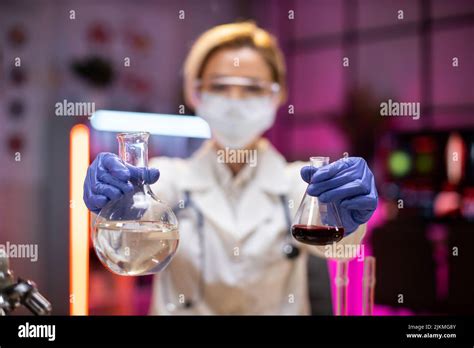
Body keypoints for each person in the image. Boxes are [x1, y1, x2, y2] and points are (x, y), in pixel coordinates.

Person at [83, 22, 378, 315]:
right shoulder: (165, 180)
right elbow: (126, 253)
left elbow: (340, 248)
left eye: (252, 89)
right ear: (195, 94)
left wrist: (345, 214)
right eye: (220, 86)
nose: (235, 101)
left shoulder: (298, 183)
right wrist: (117, 208)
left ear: (277, 96)